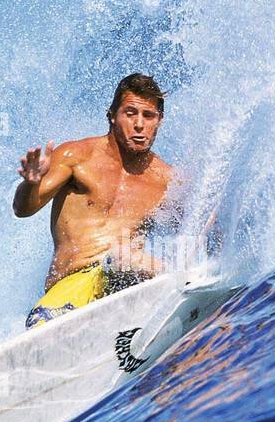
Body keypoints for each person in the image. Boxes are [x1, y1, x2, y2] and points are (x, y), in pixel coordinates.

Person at [14, 73, 179, 329]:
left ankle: (176, 278)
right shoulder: (77, 157)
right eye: (130, 113)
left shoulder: (165, 180)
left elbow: (200, 227)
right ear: (112, 116)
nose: (139, 124)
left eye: (148, 116)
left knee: (126, 258)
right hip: (71, 289)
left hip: (128, 290)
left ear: (159, 121)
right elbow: (23, 209)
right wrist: (31, 183)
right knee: (120, 258)